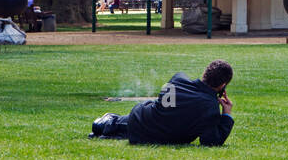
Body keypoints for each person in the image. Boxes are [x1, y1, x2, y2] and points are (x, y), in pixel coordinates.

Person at [90, 60, 235, 145]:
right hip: (158, 134)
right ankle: (107, 123)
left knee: (139, 116)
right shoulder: (210, 107)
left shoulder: (179, 79)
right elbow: (211, 141)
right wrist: (226, 116)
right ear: (223, 86)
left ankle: (107, 122)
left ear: (205, 74)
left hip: (142, 120)